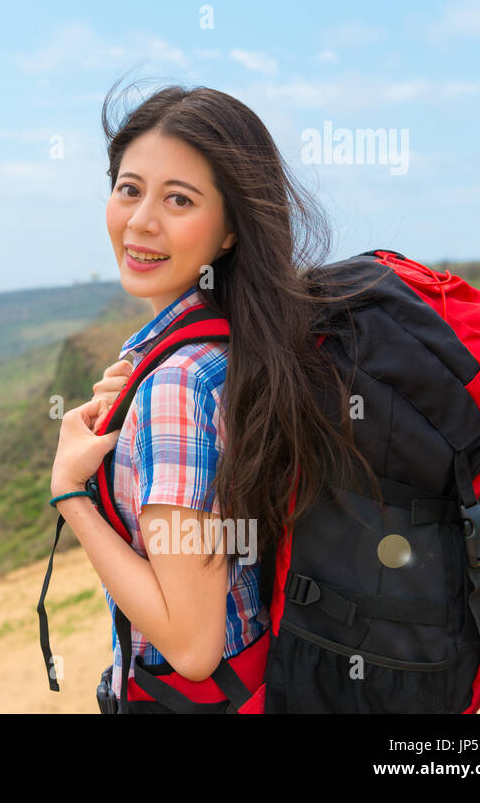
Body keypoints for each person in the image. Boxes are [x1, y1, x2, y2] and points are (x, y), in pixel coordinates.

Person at [49, 82, 378, 707]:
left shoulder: (178, 380)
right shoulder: (237, 343)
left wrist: (71, 494)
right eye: (129, 188)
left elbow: (194, 647)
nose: (141, 220)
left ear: (229, 231)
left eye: (179, 199)